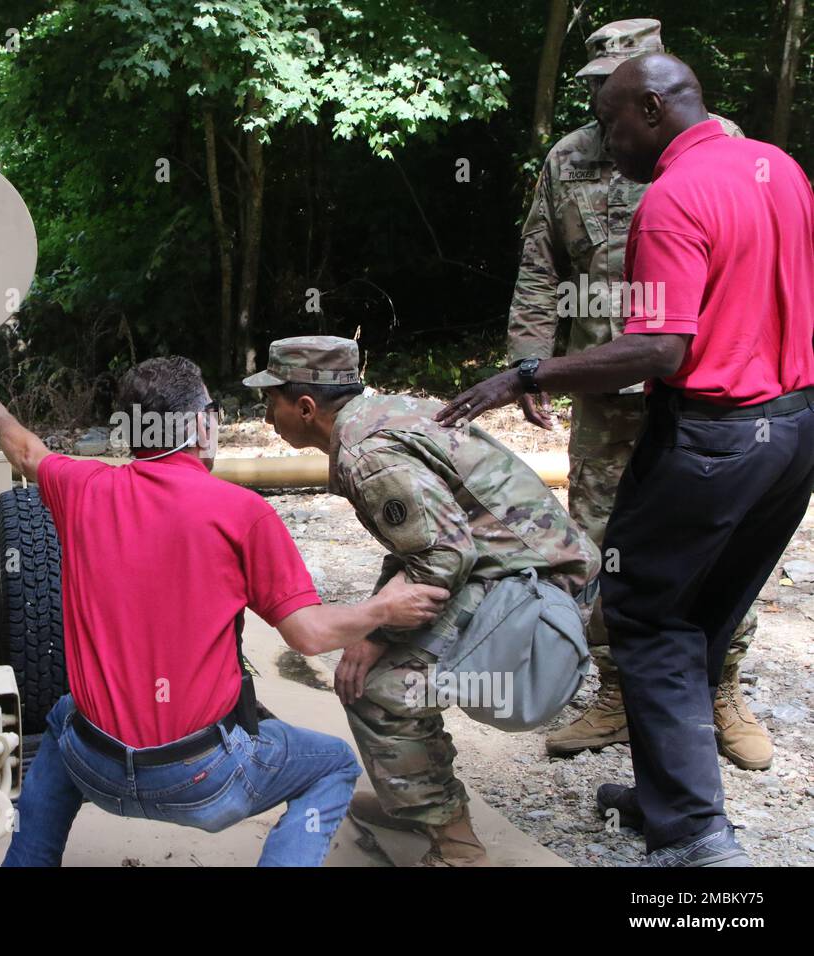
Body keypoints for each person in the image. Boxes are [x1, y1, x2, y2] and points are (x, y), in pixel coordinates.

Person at [438, 54, 814, 866]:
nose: (609, 143)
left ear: (651, 107)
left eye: (613, 124)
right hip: (792, 434)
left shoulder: (673, 196)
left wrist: (528, 373)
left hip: (714, 436)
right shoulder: (778, 168)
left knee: (646, 615)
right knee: (704, 613)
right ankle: (661, 796)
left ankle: (695, 841)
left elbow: (660, 349)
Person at [0, 357, 450, 866]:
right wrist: (384, 608)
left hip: (96, 764)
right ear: (201, 424)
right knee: (333, 765)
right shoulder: (243, 513)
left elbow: (27, 452)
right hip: (200, 781)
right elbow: (309, 635)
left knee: (66, 719)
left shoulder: (80, 487)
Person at [508, 18, 768, 769]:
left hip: (704, 383)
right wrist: (530, 359)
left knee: (718, 535)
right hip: (605, 382)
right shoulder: (570, 160)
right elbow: (538, 264)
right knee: (600, 539)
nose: (604, 103)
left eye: (617, 87)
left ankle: (721, 685)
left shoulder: (722, 144)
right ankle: (617, 689)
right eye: (595, 89)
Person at [246, 336, 600, 866]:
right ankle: (417, 802)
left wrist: (376, 634)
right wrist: (379, 618)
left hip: (533, 585)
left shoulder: (369, 454)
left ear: (305, 406)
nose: (265, 413)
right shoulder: (385, 413)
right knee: (379, 669)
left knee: (376, 687)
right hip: (503, 562)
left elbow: (443, 556)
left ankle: (454, 844)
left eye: (269, 400)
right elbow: (422, 543)